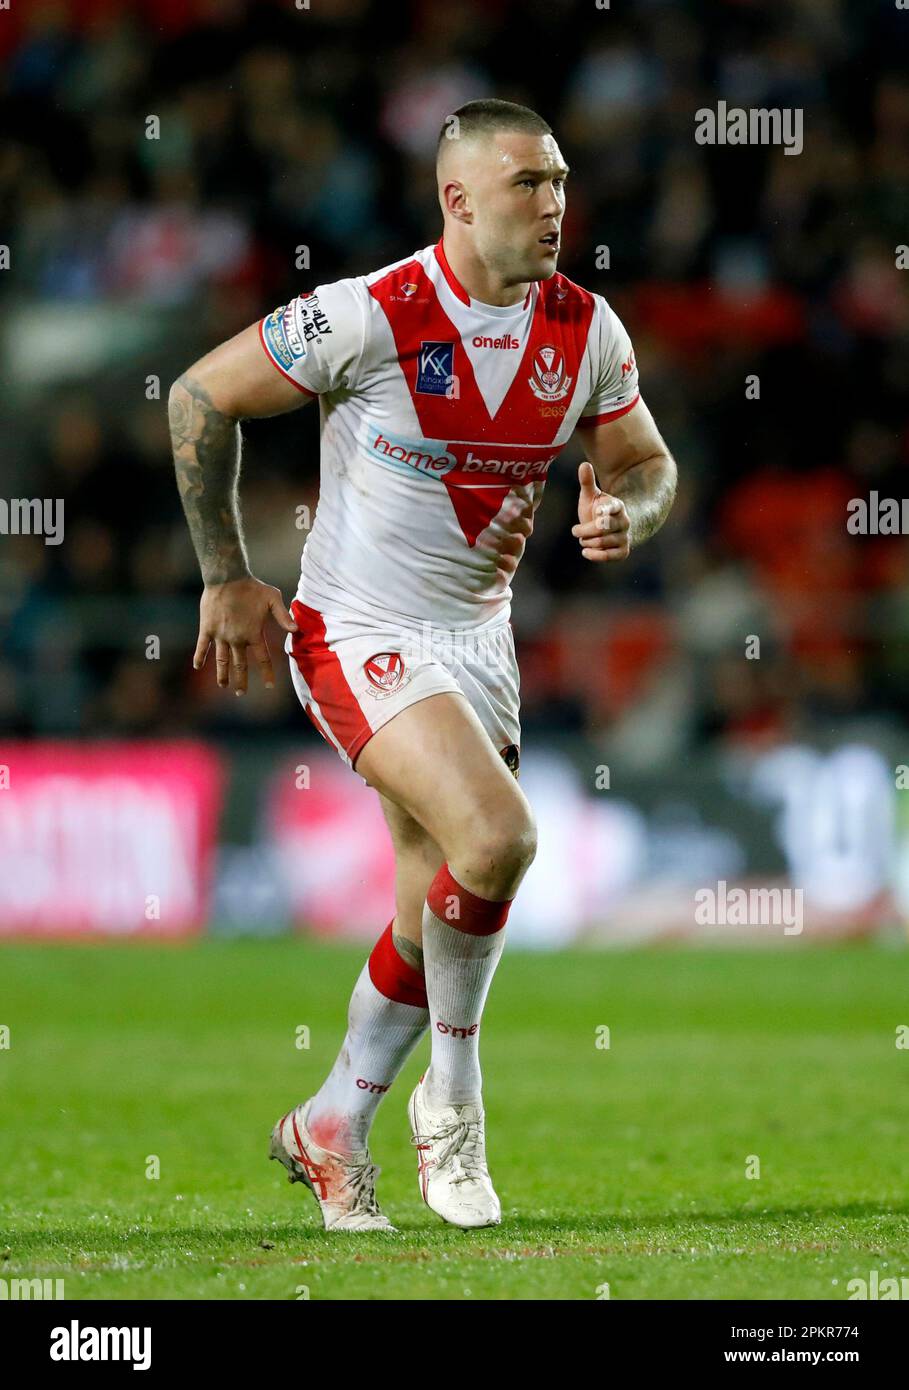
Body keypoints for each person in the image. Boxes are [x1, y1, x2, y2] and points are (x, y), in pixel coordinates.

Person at [168, 99, 677, 1232]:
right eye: (526, 185)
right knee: (499, 838)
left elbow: (647, 461)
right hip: (354, 628)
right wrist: (225, 573)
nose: (553, 205)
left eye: (558, 181)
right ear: (458, 199)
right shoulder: (371, 314)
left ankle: (331, 1120)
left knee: (430, 911)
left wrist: (631, 514)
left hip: (476, 641)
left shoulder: (586, 328)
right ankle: (454, 1111)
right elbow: (199, 396)